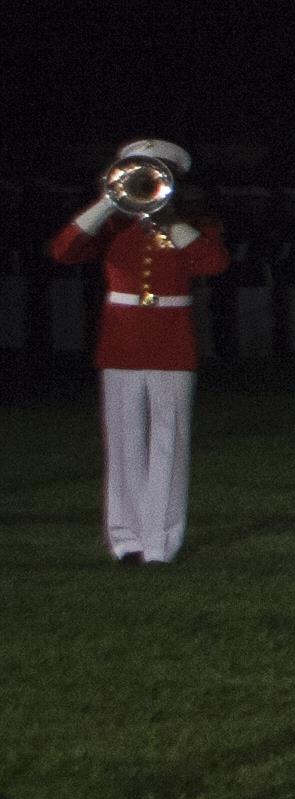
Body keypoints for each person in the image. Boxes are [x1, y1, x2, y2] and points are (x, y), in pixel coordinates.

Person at [53, 147, 223, 562]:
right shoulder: (112, 226)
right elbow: (64, 251)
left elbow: (213, 263)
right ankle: (126, 537)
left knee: (170, 437)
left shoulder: (196, 226)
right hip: (122, 339)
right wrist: (109, 201)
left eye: (156, 175)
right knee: (123, 439)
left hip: (171, 341)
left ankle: (160, 542)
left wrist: (169, 219)